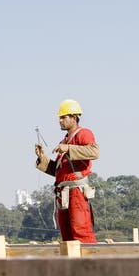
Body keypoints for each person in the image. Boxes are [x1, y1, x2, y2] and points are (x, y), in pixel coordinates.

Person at [35, 99, 99, 244]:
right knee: (67, 236)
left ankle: (91, 265)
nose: (60, 121)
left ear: (74, 117)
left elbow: (94, 152)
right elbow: (59, 172)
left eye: (64, 117)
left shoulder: (83, 133)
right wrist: (42, 158)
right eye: (60, 118)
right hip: (63, 192)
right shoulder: (65, 140)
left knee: (81, 233)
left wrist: (69, 148)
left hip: (76, 191)